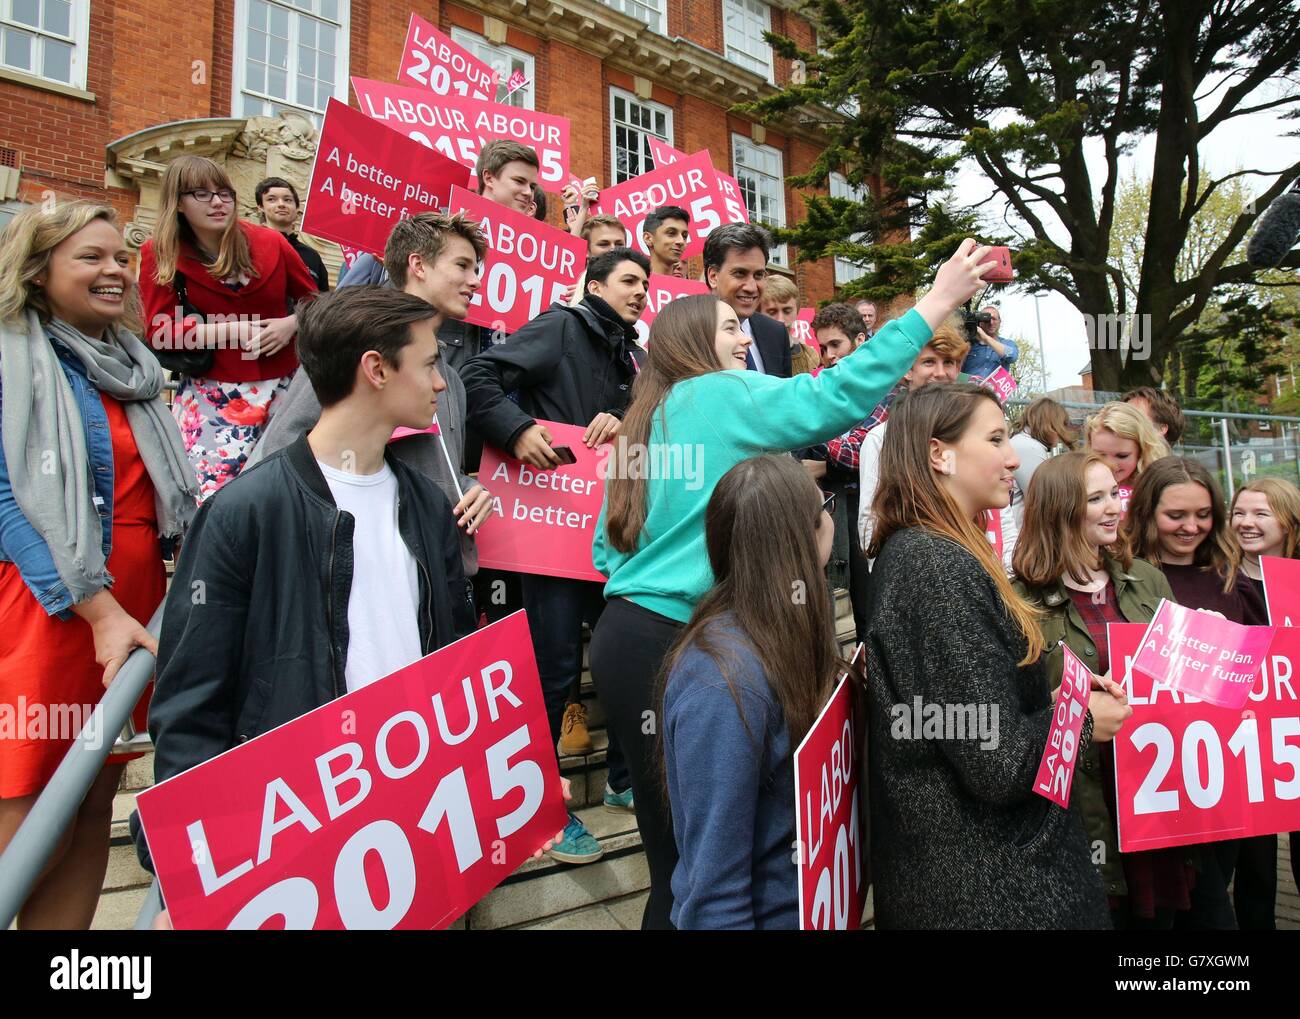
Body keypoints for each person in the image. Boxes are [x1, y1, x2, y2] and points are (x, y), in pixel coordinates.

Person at [590, 237, 999, 928]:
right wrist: (936, 302)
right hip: (679, 641)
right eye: (728, 327)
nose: (745, 340)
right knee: (702, 869)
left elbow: (607, 548)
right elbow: (835, 394)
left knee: (674, 864)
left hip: (624, 636)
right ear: (692, 342)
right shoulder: (720, 394)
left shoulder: (644, 420)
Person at [863, 383, 1126, 929]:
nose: (1013, 458)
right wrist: (1078, 722)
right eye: (996, 438)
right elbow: (997, 764)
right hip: (994, 889)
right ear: (940, 453)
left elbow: (971, 715)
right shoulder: (935, 567)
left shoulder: (935, 552)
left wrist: (1051, 698)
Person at [0, 201, 197, 928]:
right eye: (91, 257)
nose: (115, 269)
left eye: (121, 257)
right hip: (48, 612)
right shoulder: (11, 354)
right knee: (30, 799)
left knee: (90, 802)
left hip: (132, 611)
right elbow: (4, 498)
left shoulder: (134, 365)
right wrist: (98, 611)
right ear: (37, 268)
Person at [461, 247, 649, 865]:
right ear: (593, 285)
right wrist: (516, 429)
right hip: (547, 534)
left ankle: (624, 781)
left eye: (646, 284)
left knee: (621, 653)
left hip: (612, 532)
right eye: (628, 280)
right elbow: (477, 378)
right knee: (552, 666)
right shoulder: (561, 327)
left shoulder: (634, 356)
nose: (640, 291)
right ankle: (542, 810)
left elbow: (650, 431)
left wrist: (624, 417)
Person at [248, 212, 495, 575]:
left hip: (440, 574)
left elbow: (442, 468)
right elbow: (281, 446)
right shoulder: (354, 344)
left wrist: (471, 489)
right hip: (359, 571)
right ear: (418, 265)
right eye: (463, 266)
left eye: (477, 270)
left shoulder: (451, 380)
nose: (475, 282)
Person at [661, 455, 847, 929]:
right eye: (824, 508)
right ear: (804, 537)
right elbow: (715, 892)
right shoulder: (722, 680)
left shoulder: (787, 632)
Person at [1011, 452, 1191, 929]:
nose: (1114, 506)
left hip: (1153, 790)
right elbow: (1018, 709)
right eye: (1096, 498)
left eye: (1114, 492)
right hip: (1081, 803)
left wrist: (1202, 645)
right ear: (1059, 510)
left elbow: (1178, 683)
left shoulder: (1148, 580)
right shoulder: (1019, 601)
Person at [1122, 456, 1269, 930]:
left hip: (1223, 767)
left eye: (1203, 515)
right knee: (1179, 905)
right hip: (1155, 774)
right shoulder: (1129, 579)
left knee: (1214, 890)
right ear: (1148, 513)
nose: (1191, 527)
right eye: (1176, 516)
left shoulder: (1230, 577)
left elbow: (1268, 671)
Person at [138, 155, 317, 499]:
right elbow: (161, 331)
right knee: (209, 501)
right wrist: (235, 330)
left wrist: (290, 324)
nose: (218, 202)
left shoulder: (271, 242)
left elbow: (317, 301)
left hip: (283, 388)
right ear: (177, 202)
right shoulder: (159, 251)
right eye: (201, 194)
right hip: (212, 396)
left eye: (225, 193)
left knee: (281, 495)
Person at [1228, 477, 1300, 907]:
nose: (1246, 523)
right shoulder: (1220, 580)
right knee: (1255, 857)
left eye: (1260, 513)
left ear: (1288, 521)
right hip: (1249, 736)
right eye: (1239, 512)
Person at [856, 319, 968, 553]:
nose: (940, 373)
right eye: (929, 362)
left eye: (948, 362)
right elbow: (870, 518)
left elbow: (997, 512)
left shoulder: (971, 431)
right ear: (908, 369)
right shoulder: (881, 439)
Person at [703, 223, 791, 377]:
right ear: (713, 276)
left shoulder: (776, 333)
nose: (751, 287)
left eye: (758, 275)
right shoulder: (688, 334)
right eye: (739, 273)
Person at [1084, 401, 1170, 505]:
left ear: (1142, 452)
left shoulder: (1157, 488)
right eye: (1100, 454)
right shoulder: (1077, 484)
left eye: (1121, 456)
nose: (1109, 463)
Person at [253, 176, 330, 292]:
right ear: (260, 207)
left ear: (297, 207)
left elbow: (322, 301)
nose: (281, 204)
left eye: (287, 200)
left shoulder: (312, 256)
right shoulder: (249, 247)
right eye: (271, 199)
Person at [1010, 397, 1079, 525]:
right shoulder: (1029, 447)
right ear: (1051, 424)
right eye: (1062, 424)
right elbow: (1042, 499)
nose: (1061, 434)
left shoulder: (1023, 443)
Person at [760, 275, 818, 375]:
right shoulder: (750, 354)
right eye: (772, 312)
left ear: (797, 310)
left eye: (787, 311)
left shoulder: (811, 356)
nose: (781, 320)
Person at [477, 139, 539, 214]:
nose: (528, 192)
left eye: (532, 187)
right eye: (519, 181)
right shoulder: (459, 224)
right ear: (489, 179)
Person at [961, 304, 1018, 379]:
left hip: (994, 390)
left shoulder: (1007, 343)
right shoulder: (968, 344)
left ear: (999, 321)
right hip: (969, 389)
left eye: (994, 319)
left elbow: (1012, 357)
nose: (991, 323)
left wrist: (985, 338)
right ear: (980, 322)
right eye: (987, 320)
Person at [642, 205, 690, 277]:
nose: (681, 241)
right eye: (671, 233)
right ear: (648, 238)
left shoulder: (689, 288)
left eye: (684, 236)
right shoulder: (637, 286)